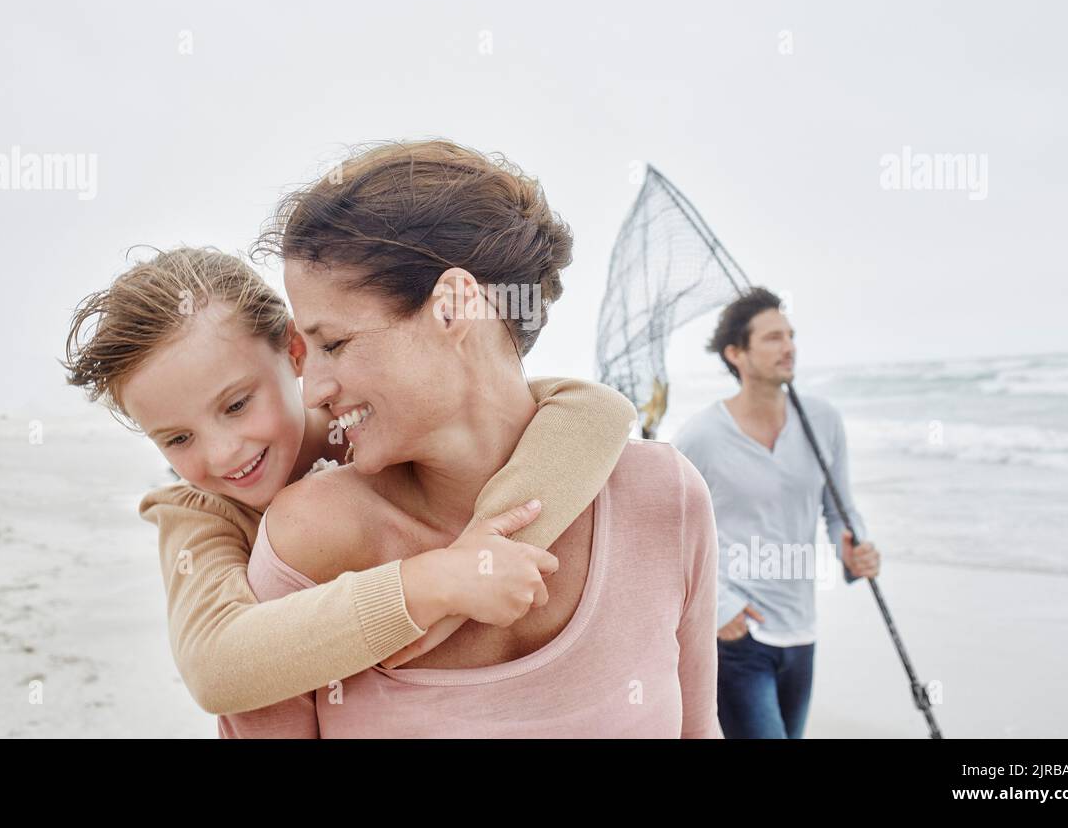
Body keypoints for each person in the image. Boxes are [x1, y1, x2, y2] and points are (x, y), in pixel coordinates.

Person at [222, 139, 721, 737]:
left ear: (454, 307)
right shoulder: (308, 539)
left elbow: (701, 728)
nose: (314, 390)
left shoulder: (665, 497)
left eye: (335, 344)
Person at [61, 246, 637, 716]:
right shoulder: (201, 513)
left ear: (293, 350)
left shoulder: (377, 424)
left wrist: (489, 554)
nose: (222, 453)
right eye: (177, 440)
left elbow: (593, 409)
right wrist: (429, 586)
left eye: (236, 404)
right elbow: (216, 667)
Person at [672, 287, 880, 738]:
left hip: (801, 627)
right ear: (736, 354)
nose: (788, 347)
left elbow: (840, 511)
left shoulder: (822, 421)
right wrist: (720, 607)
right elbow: (666, 528)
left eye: (790, 335)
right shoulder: (702, 437)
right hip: (737, 632)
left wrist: (856, 552)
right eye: (771, 338)